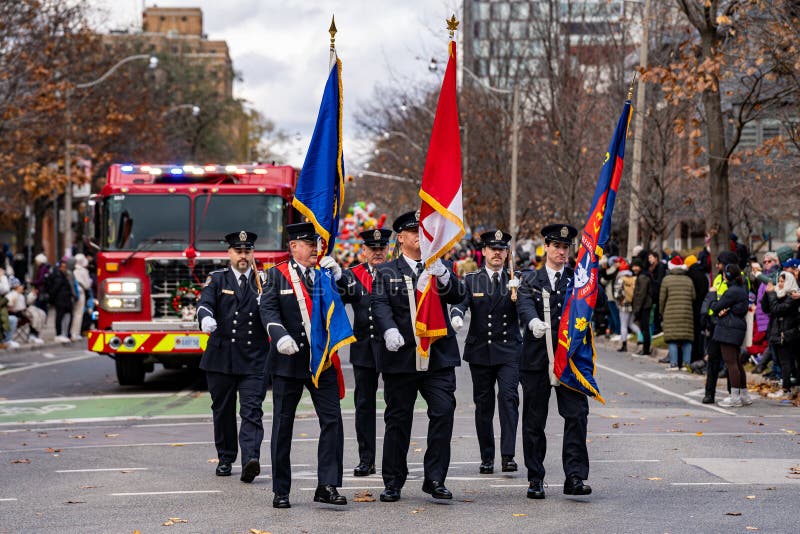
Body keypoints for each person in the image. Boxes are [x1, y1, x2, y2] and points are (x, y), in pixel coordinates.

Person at [371, 210, 466, 503]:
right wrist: (388, 330)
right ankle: (393, 481)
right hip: (402, 357)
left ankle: (435, 478)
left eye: (423, 231)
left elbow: (459, 295)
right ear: (400, 238)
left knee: (443, 412)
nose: (420, 236)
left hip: (438, 356)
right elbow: (380, 304)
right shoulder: (386, 271)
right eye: (414, 232)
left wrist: (445, 276)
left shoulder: (440, 265)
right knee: (398, 420)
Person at [259, 222, 347, 509]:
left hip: (321, 361)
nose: (315, 249)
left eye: (316, 244)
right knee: (283, 425)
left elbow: (355, 297)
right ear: (294, 246)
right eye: (309, 244)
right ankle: (281, 489)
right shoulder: (276, 275)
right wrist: (279, 335)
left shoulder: (325, 274)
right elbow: (268, 309)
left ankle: (327, 484)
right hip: (289, 360)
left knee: (332, 420)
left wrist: (341, 277)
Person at [517, 223, 591, 500]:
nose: (561, 251)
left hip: (569, 361)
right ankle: (535, 478)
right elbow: (524, 304)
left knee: (576, 416)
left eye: (565, 247)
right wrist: (532, 320)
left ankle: (574, 476)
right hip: (537, 360)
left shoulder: (579, 280)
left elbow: (593, 303)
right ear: (545, 247)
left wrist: (592, 277)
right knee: (534, 422)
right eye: (556, 246)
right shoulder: (530, 280)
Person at [197, 230, 269, 484]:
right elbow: (205, 303)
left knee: (252, 410)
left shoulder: (264, 281)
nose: (243, 256)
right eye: (238, 251)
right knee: (223, 410)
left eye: (247, 251)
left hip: (254, 358)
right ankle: (226, 458)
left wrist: (266, 303)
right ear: (229, 253)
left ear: (252, 254)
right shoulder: (217, 279)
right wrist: (205, 317)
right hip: (222, 358)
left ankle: (251, 459)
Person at [450, 230, 521, 475]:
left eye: (502, 249)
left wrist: (519, 293)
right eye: (493, 249)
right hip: (480, 351)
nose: (498, 253)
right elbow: (460, 302)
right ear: (484, 252)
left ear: (507, 253)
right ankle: (487, 456)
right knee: (484, 405)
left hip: (509, 350)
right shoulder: (472, 279)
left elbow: (527, 307)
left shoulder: (517, 278)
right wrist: (456, 315)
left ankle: (508, 455)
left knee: (509, 398)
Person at [337, 227, 392, 477]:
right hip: (364, 350)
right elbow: (336, 302)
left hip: (394, 349)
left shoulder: (396, 273)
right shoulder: (353, 275)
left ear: (388, 249)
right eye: (373, 249)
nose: (378, 253)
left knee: (396, 406)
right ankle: (366, 459)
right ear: (364, 251)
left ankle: (393, 459)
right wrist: (336, 277)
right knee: (364, 406)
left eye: (381, 249)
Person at [708, 263, 751, 407]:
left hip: (729, 328)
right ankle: (744, 395)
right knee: (737, 362)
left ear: (728, 275)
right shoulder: (741, 289)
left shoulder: (732, 291)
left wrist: (713, 294)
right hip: (736, 327)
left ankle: (735, 398)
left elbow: (715, 307)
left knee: (731, 362)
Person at [700, 251, 740, 404]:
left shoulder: (739, 278)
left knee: (731, 360)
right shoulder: (718, 278)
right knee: (713, 360)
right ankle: (709, 393)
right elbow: (712, 297)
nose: (717, 266)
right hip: (715, 322)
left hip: (729, 324)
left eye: (719, 263)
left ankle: (733, 392)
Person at [762, 271, 800, 400]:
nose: (780, 283)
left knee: (786, 362)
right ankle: (790, 386)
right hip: (777, 333)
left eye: (783, 281)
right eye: (779, 281)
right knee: (780, 361)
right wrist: (767, 294)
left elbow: (777, 310)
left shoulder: (792, 296)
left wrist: (772, 294)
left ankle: (786, 389)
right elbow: (766, 309)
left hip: (787, 334)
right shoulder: (778, 294)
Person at [659, 256, 696, 370]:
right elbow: (693, 297)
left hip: (670, 314)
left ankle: (674, 364)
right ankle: (686, 364)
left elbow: (662, 299)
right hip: (686, 313)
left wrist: (662, 312)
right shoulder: (688, 280)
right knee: (686, 339)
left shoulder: (667, 280)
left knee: (672, 339)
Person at [613, 258, 640, 353]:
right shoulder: (633, 278)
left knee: (624, 325)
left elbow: (617, 293)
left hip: (623, 305)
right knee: (631, 323)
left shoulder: (621, 279)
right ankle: (641, 338)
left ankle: (624, 344)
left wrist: (618, 301)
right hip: (632, 304)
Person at [631, 258, 653, 355]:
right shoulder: (641, 276)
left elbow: (641, 294)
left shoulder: (642, 277)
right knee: (644, 328)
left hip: (644, 306)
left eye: (636, 266)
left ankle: (646, 349)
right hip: (643, 306)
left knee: (645, 328)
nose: (634, 268)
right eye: (633, 266)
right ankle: (645, 348)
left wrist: (637, 309)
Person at [50, 260, 76, 343]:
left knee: (68, 316)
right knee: (60, 316)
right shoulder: (58, 276)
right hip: (61, 300)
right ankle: (59, 334)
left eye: (65, 267)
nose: (64, 269)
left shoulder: (64, 275)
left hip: (66, 299)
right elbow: (55, 289)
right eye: (63, 267)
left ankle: (65, 333)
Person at [71, 254, 92, 339]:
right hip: (81, 293)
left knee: (73, 313)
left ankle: (72, 332)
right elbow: (87, 285)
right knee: (79, 314)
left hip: (74, 293)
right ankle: (76, 332)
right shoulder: (84, 271)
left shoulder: (73, 270)